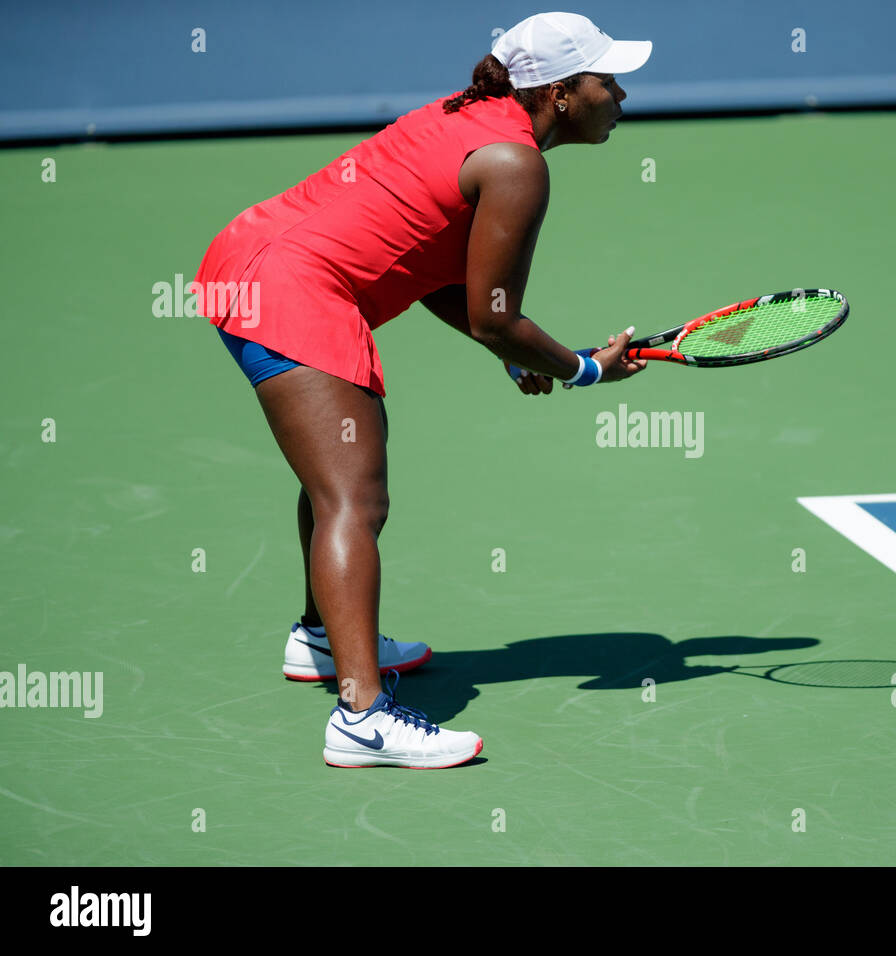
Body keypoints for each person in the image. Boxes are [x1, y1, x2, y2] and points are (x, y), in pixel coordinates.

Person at [193, 12, 652, 768]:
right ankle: (362, 716)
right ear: (562, 93)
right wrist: (584, 368)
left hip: (249, 254)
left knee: (330, 479)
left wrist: (506, 347)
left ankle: (319, 639)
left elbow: (441, 267)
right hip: (294, 288)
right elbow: (493, 314)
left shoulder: (463, 115)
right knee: (355, 499)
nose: (623, 94)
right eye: (608, 80)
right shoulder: (516, 164)